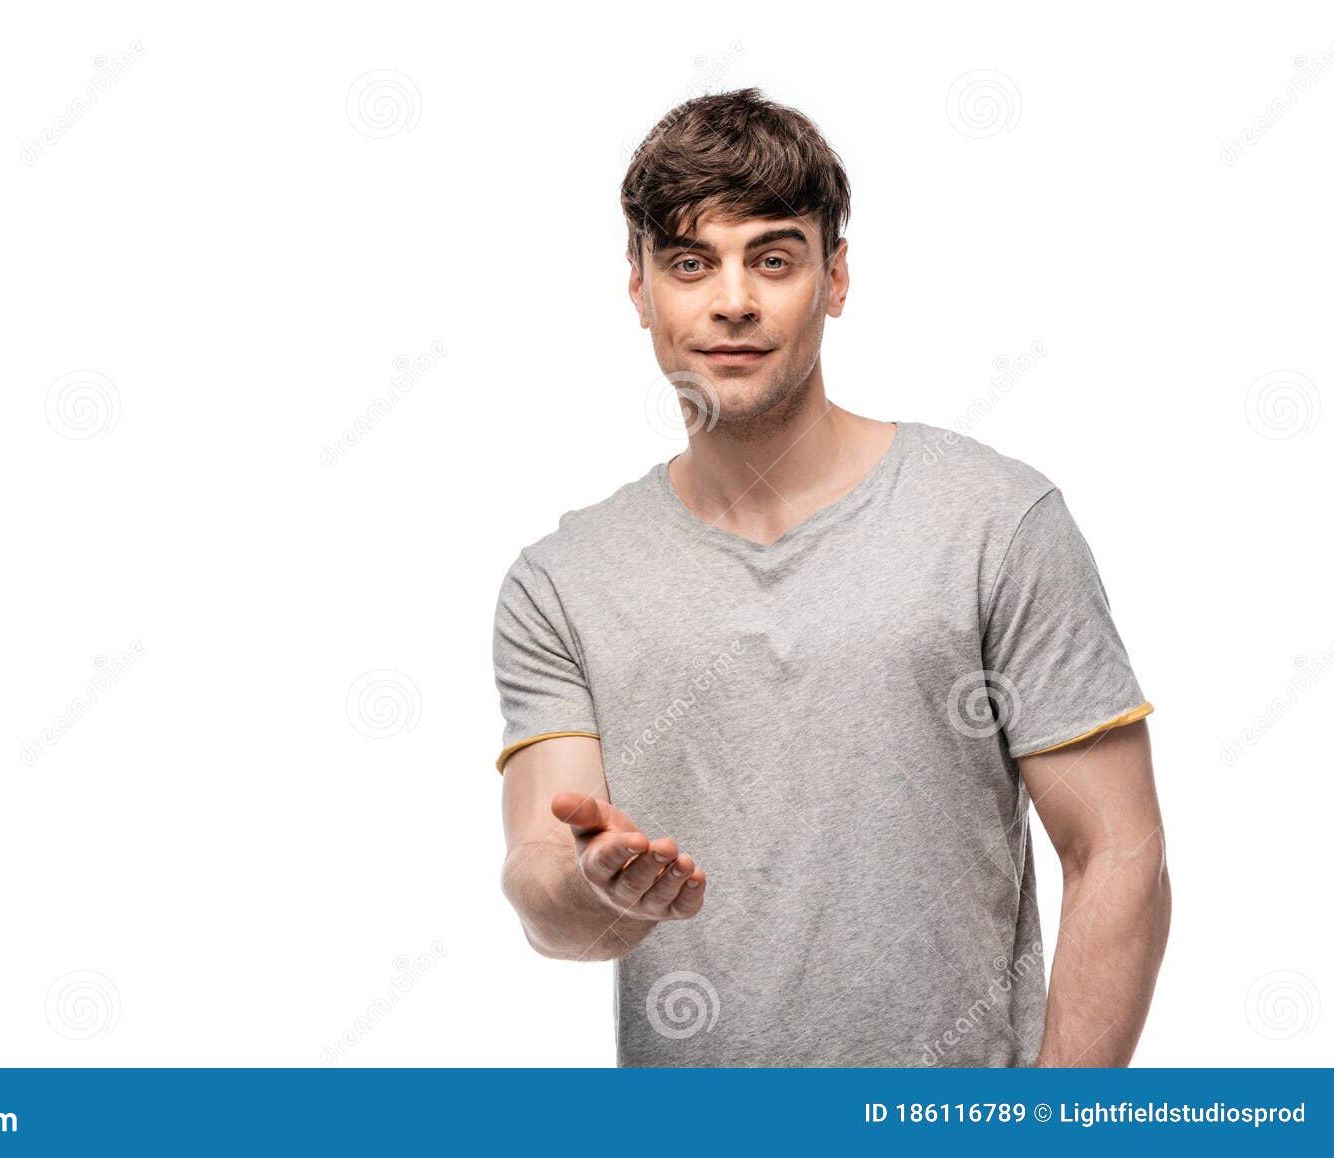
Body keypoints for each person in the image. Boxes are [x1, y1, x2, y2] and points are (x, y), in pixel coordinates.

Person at [490, 88, 1170, 1067]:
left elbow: (1118, 853)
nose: (732, 301)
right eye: (690, 263)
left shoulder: (993, 523)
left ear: (835, 276)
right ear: (638, 287)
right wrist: (595, 887)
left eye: (772, 258)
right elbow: (545, 891)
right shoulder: (561, 581)